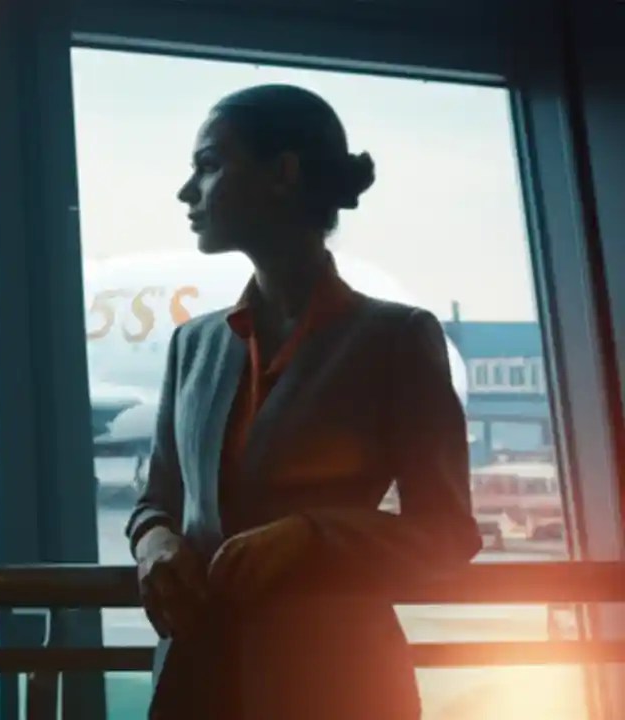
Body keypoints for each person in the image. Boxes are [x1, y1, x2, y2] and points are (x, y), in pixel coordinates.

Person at [126, 84, 482, 720]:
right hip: (195, 682)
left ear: (283, 173)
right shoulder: (195, 343)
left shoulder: (396, 338)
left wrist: (312, 538)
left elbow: (447, 534)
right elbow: (157, 499)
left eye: (208, 166)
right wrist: (154, 542)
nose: (188, 192)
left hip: (337, 687)